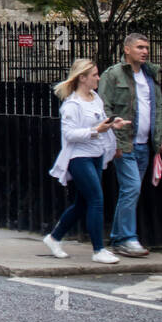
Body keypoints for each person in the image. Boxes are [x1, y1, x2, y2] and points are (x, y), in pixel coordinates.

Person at [44, 58, 129, 264]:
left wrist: (111, 124)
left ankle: (54, 238)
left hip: (96, 154)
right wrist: (94, 131)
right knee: (96, 200)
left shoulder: (95, 98)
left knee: (82, 204)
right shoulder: (72, 105)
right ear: (82, 78)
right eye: (94, 75)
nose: (98, 78)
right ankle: (98, 249)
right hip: (78, 157)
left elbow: (100, 122)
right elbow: (70, 134)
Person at [99, 33, 162, 257]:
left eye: (147, 47)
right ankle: (127, 238)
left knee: (130, 192)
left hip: (144, 145)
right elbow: (104, 108)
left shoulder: (150, 75)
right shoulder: (114, 74)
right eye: (140, 47)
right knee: (131, 188)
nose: (145, 51)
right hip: (125, 143)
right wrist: (114, 141)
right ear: (127, 49)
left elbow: (158, 109)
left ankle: (120, 238)